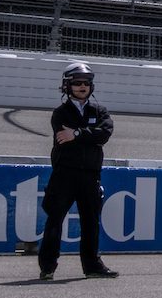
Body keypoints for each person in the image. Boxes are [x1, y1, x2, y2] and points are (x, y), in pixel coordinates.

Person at [37, 61, 117, 281]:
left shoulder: (99, 111)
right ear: (67, 86)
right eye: (77, 83)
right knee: (55, 220)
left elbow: (104, 133)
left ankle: (92, 266)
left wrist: (78, 134)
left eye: (86, 83)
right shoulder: (60, 113)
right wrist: (89, 135)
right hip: (64, 174)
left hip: (90, 175)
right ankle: (47, 267)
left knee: (91, 222)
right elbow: (65, 137)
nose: (82, 87)